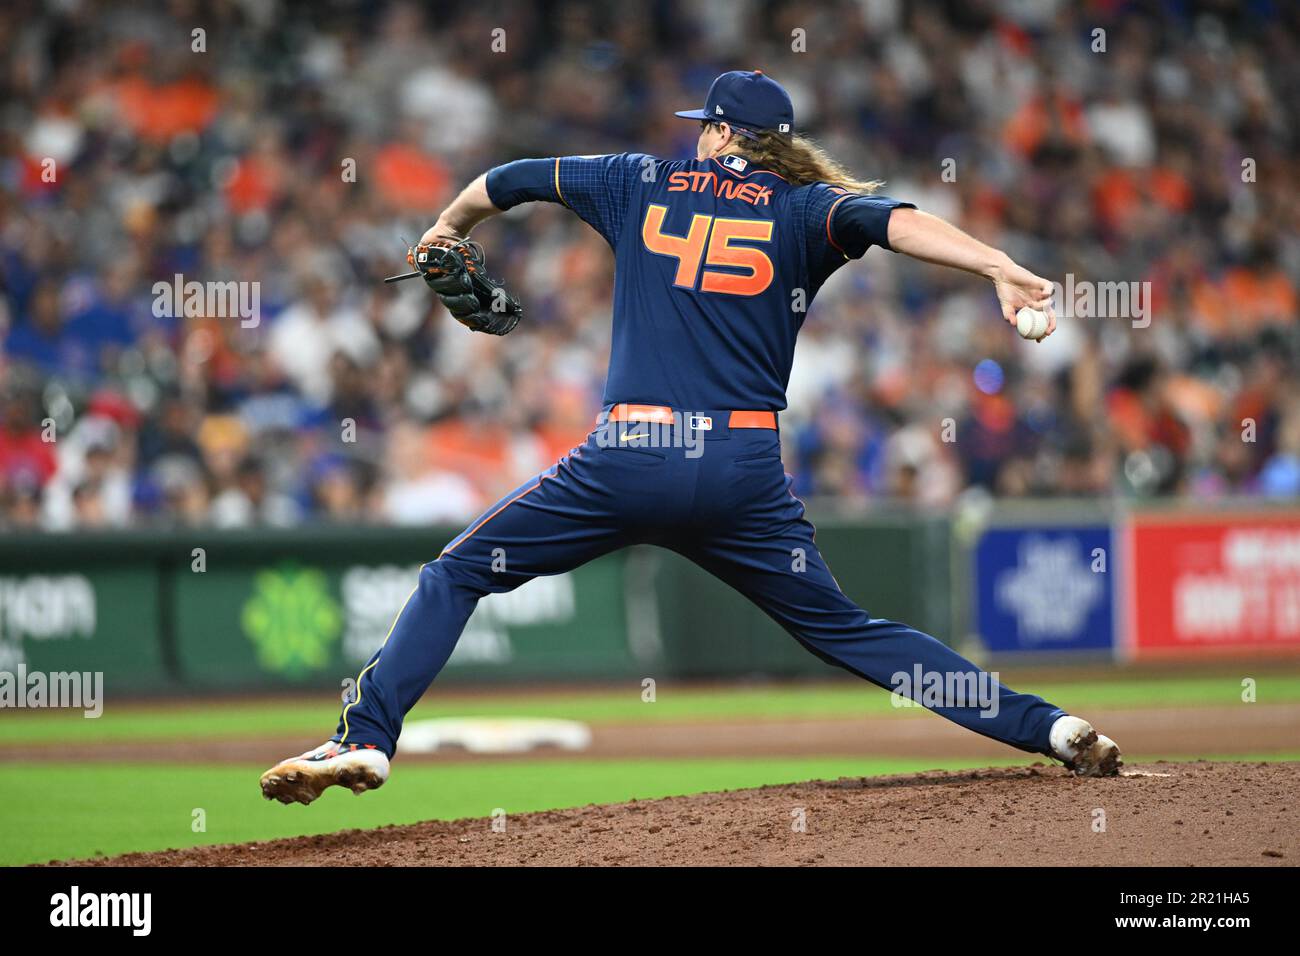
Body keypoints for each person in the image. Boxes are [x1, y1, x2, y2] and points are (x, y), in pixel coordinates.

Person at [260, 70, 1120, 805]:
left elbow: (507, 179)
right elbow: (892, 220)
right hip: (742, 473)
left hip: (629, 459)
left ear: (716, 135)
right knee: (850, 631)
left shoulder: (636, 179)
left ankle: (365, 738)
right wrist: (997, 266)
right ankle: (1046, 724)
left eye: (704, 127)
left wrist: (448, 230)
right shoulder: (808, 208)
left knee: (455, 574)